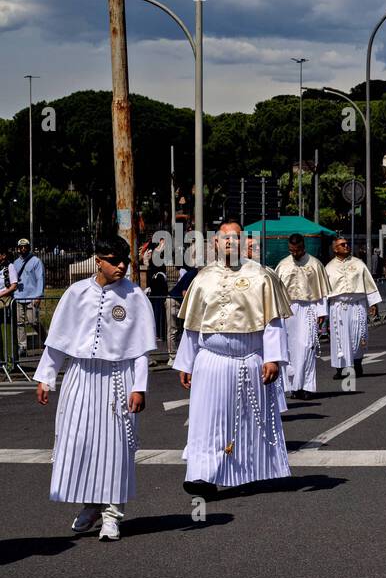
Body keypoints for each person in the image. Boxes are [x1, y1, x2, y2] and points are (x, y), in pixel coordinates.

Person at [34, 237, 155, 541]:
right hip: (81, 376)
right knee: (81, 443)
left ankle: (112, 513)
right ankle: (91, 504)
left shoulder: (135, 296)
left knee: (115, 447)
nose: (122, 266)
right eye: (115, 260)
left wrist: (139, 387)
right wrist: (45, 376)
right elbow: (58, 340)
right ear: (98, 261)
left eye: (125, 260)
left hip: (118, 377)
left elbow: (140, 350)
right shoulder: (76, 293)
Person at [173, 220, 293, 495]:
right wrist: (185, 362)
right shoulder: (202, 278)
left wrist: (272, 358)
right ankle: (201, 475)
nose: (229, 242)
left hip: (246, 359)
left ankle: (244, 472)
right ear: (215, 243)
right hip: (210, 360)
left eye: (235, 237)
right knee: (205, 419)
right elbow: (192, 326)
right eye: (224, 238)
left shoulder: (262, 276)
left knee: (243, 420)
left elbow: (273, 322)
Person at [275, 233, 330, 399]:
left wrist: (321, 311)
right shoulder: (283, 265)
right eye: (291, 250)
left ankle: (306, 386)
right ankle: (293, 387)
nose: (294, 254)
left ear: (303, 247)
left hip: (308, 308)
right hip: (288, 310)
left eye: (297, 250)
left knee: (307, 347)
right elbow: (276, 292)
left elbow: (321, 291)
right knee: (289, 350)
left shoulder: (315, 265)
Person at [324, 236, 381, 379]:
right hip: (338, 306)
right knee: (339, 337)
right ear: (335, 249)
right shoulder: (329, 267)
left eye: (347, 244)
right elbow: (324, 291)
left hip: (357, 304)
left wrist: (373, 303)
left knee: (358, 334)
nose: (346, 246)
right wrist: (322, 312)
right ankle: (340, 368)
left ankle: (357, 363)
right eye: (342, 244)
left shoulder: (358, 264)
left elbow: (368, 283)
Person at [3, 238, 46, 350]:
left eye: (25, 247)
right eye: (21, 247)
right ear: (18, 248)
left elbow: (40, 278)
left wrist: (39, 295)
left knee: (33, 321)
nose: (23, 249)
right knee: (19, 323)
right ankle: (22, 346)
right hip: (18, 297)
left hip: (32, 296)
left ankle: (46, 340)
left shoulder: (36, 261)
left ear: (29, 247)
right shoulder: (15, 263)